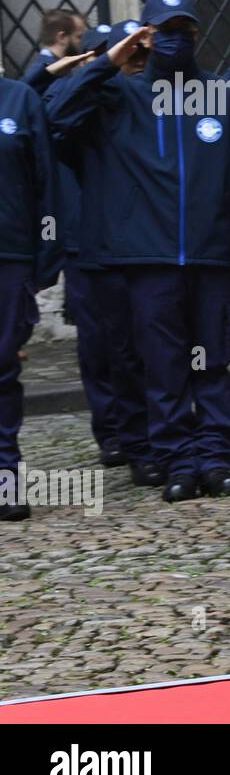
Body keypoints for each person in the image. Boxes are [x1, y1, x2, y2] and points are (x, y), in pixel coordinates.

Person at [48, 0, 230, 502]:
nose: (177, 39)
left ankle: (214, 458)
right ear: (145, 36)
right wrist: (109, 61)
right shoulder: (121, 96)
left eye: (184, 30)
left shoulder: (220, 95)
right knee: (164, 366)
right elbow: (55, 118)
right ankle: (176, 462)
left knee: (209, 362)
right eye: (164, 31)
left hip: (209, 257)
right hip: (149, 261)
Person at [55, 20, 161, 487]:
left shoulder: (159, 103)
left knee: (159, 351)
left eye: (142, 53)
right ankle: (123, 437)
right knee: (108, 352)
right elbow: (55, 112)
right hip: (96, 251)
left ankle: (163, 436)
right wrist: (103, 65)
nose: (136, 61)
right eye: (128, 54)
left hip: (151, 247)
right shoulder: (90, 107)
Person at [0, 74, 62, 521]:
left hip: (10, 255)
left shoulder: (20, 100)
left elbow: (46, 182)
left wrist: (46, 255)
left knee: (2, 368)